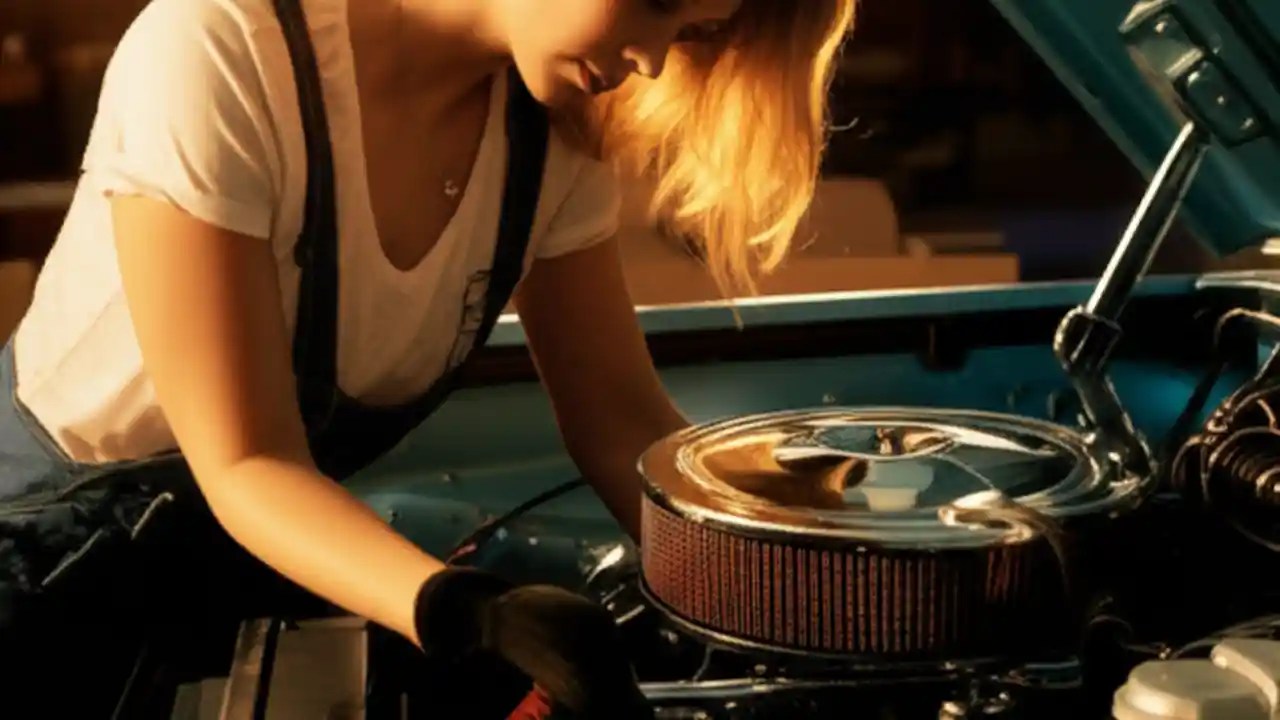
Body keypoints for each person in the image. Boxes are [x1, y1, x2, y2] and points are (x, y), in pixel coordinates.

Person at [0, 0, 856, 715]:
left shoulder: (552, 131)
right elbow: (248, 462)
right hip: (38, 569)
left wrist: (787, 598)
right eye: (658, 1)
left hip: (232, 577)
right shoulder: (218, 52)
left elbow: (620, 421)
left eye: (694, 31)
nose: (655, 61)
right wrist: (470, 613)